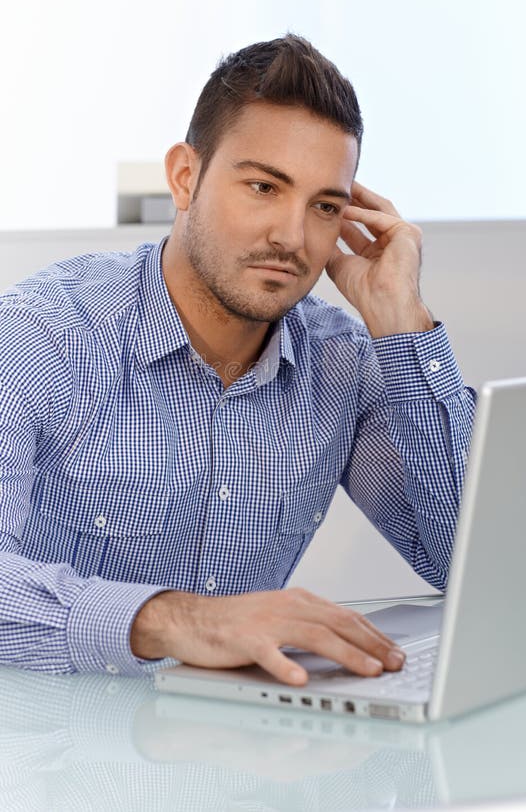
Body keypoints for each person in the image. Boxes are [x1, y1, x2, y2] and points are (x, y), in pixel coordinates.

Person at [0, 35, 476, 686]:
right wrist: (178, 623)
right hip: (47, 762)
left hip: (245, 765)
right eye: (263, 187)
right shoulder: (40, 338)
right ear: (184, 177)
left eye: (324, 207)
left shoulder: (343, 363)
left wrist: (401, 319)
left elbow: (468, 563)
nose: (291, 235)